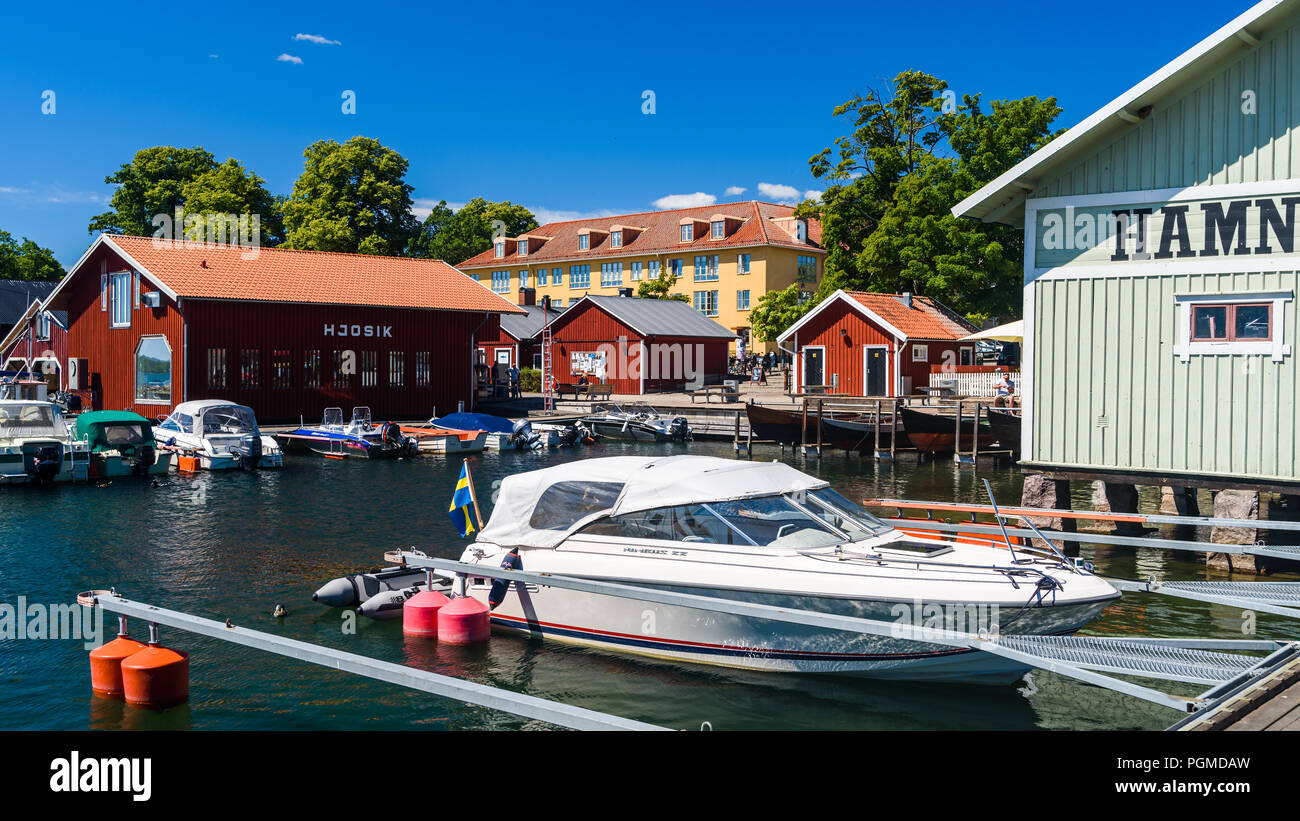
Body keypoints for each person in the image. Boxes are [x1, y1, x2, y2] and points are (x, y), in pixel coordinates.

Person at [488, 546, 522, 610]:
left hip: (511, 558)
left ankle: (492, 606)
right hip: (511, 558)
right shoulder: (494, 599)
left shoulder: (494, 599)